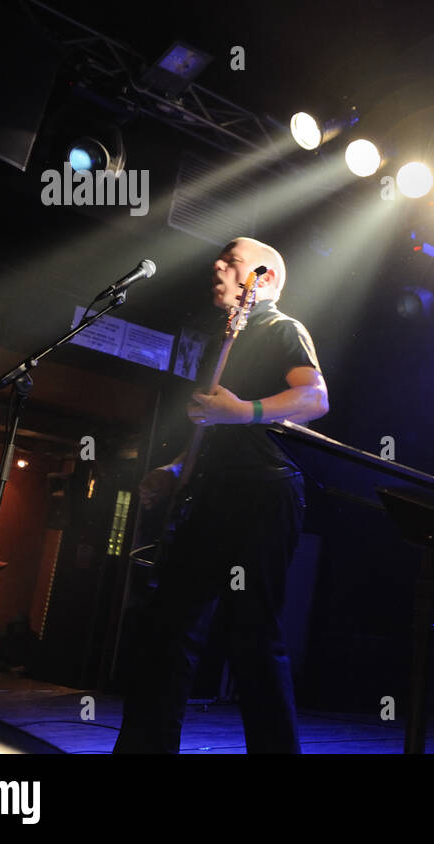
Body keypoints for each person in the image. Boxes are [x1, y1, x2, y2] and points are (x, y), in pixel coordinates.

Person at [114, 237, 328, 754]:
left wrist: (243, 411)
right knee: (167, 628)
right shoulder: (223, 340)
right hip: (214, 492)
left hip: (263, 494)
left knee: (254, 637)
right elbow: (212, 429)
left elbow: (314, 397)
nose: (218, 266)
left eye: (232, 262)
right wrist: (176, 467)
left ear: (266, 279)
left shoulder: (282, 327)